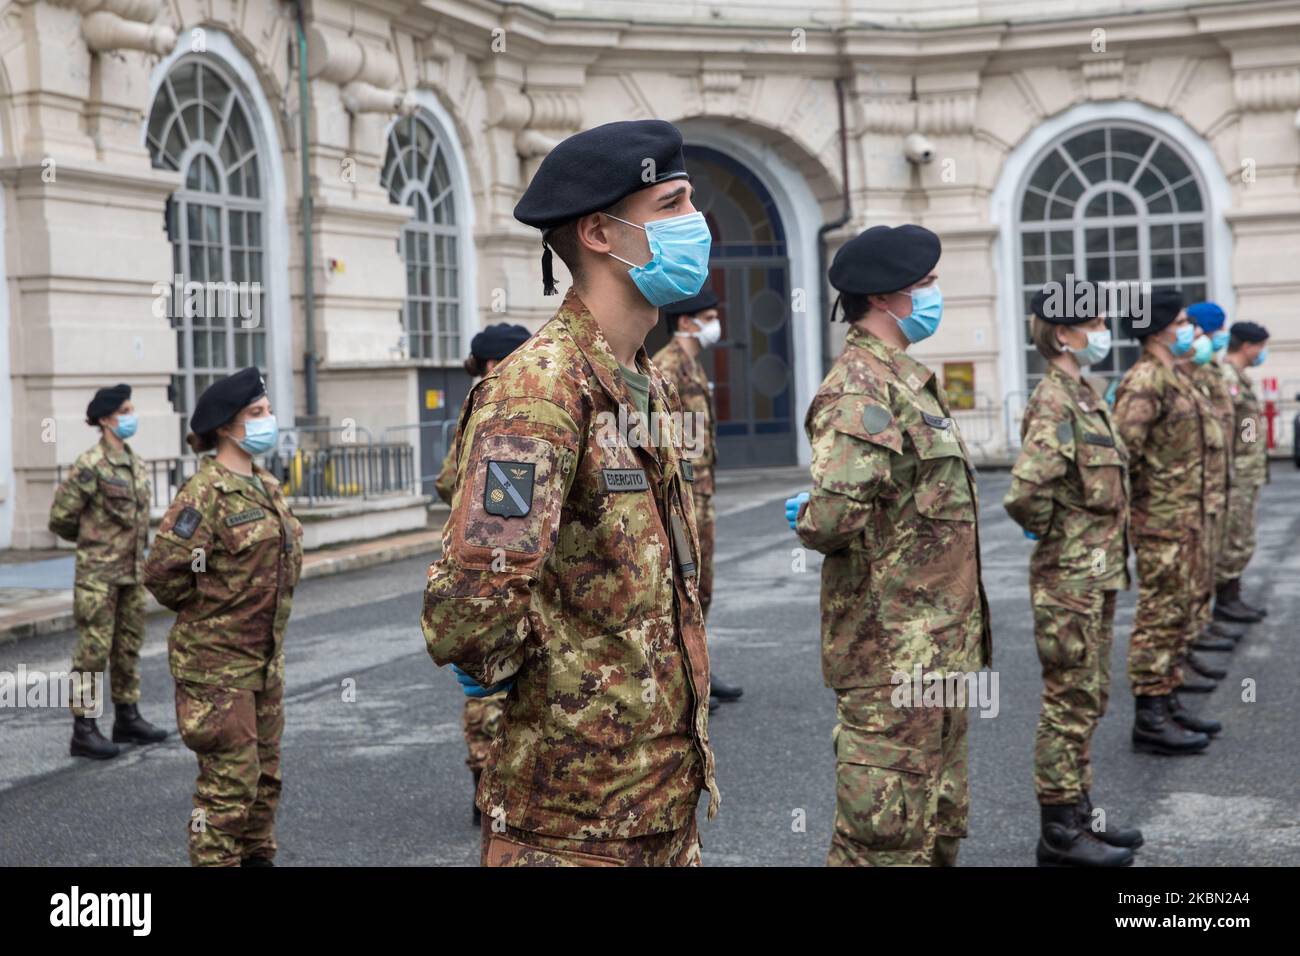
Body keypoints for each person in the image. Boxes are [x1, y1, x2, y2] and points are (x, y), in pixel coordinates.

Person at [422, 119, 719, 867]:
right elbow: (469, 611)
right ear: (600, 233)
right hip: (570, 824)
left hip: (657, 802)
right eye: (673, 205)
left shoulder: (639, 378)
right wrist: (548, 671)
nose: (696, 226)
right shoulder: (541, 389)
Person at [786, 224, 991, 866]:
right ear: (886, 299)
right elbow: (833, 521)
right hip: (891, 654)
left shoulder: (906, 381)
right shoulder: (861, 387)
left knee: (937, 821)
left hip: (938, 647)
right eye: (924, 285)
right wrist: (811, 514)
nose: (934, 296)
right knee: (882, 837)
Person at [1002, 283, 1140, 867]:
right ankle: (1059, 831)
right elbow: (1027, 490)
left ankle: (1081, 815)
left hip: (1098, 572)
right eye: (1095, 323)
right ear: (1063, 333)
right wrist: (1057, 534)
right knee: (1069, 698)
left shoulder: (1084, 394)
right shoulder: (1055, 401)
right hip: (1071, 576)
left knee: (1090, 694)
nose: (1105, 332)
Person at [143, 368, 303, 867]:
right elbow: (163, 573)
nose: (268, 421)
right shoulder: (203, 495)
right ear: (225, 429)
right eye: (256, 414)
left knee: (264, 781)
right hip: (216, 670)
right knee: (228, 792)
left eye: (268, 411)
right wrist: (209, 613)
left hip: (262, 664)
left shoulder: (265, 484)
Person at [433, 322, 531, 825]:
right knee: (502, 682)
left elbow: (446, 483)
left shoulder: (481, 409)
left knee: (486, 679)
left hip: (480, 560)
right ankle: (498, 787)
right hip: (498, 561)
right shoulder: (510, 407)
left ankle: (486, 782)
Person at [1112, 291, 1218, 754]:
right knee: (1159, 615)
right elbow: (1122, 455)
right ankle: (1150, 714)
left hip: (1185, 518)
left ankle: (1168, 697)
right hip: (1160, 521)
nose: (1186, 329)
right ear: (1156, 330)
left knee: (1178, 611)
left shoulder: (1173, 376)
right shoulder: (1145, 382)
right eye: (1178, 322)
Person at [48, 383, 168, 758]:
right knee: (93, 651)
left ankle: (127, 717)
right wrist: (92, 540)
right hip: (98, 576)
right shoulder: (90, 465)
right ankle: (84, 730)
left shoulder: (135, 462)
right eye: (125, 411)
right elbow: (60, 518)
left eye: (132, 409)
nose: (132, 417)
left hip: (131, 572)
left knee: (128, 645)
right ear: (104, 419)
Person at [653, 290, 742, 709]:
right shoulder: (668, 366)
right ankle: (683, 681)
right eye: (707, 317)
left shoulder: (691, 365)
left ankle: (699, 669)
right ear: (686, 323)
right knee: (683, 588)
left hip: (701, 490)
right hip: (682, 494)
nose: (714, 325)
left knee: (702, 587)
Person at [1216, 321, 1272, 620]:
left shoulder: (1240, 379)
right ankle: (1225, 601)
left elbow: (1246, 429)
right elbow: (1227, 429)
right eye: (1260, 346)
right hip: (1236, 473)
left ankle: (1232, 596)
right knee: (1233, 538)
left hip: (1247, 470)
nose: (1262, 352)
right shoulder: (1227, 379)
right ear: (1248, 346)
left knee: (1242, 537)